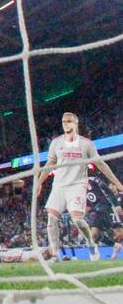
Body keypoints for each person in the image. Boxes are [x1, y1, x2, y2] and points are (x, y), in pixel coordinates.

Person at [34, 112, 123, 262]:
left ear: (76, 123)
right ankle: (55, 255)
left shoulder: (86, 144)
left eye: (69, 121)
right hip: (59, 185)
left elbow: (101, 163)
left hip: (77, 185)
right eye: (63, 121)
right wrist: (39, 182)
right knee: (51, 218)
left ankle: (91, 244)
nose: (66, 124)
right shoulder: (56, 143)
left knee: (77, 220)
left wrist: (118, 183)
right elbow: (49, 164)